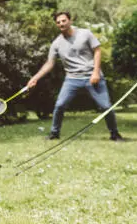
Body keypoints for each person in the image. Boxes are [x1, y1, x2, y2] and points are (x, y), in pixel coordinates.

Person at [26, 11, 124, 142]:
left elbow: (97, 51)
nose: (61, 23)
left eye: (63, 20)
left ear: (70, 21)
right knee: (60, 105)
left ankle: (115, 134)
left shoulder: (85, 34)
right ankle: (54, 133)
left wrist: (95, 72)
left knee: (106, 107)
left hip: (92, 76)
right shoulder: (56, 43)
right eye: (58, 22)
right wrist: (35, 78)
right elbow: (50, 63)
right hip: (72, 79)